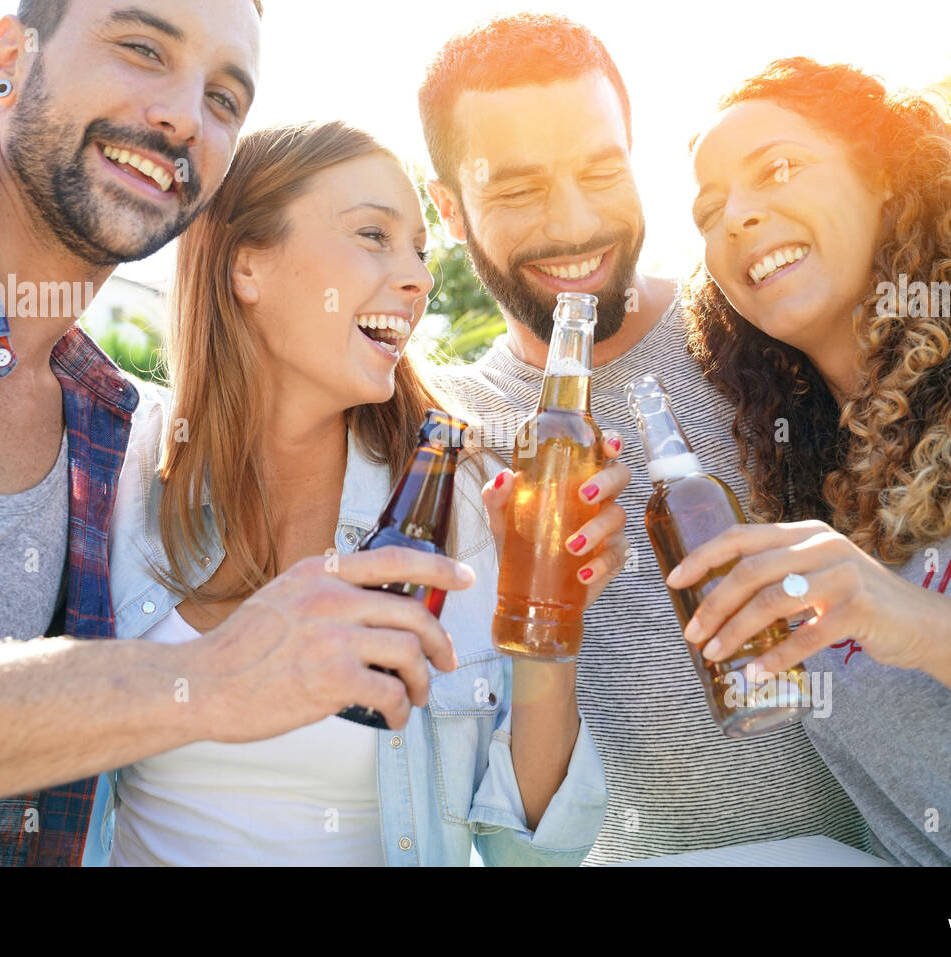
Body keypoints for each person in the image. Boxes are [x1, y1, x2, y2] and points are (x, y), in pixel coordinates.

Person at [416, 13, 951, 864]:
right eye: (518, 187)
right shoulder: (444, 433)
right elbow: (505, 837)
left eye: (601, 169)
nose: (572, 221)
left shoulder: (798, 347)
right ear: (449, 210)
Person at [0, 0, 472, 867]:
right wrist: (208, 679)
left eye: (224, 100)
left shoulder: (106, 431)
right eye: (141, 46)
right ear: (7, 54)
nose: (182, 115)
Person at [100, 121, 625, 866]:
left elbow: (530, 857)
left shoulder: (467, 498)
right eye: (373, 234)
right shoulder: (112, 469)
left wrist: (546, 619)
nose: (418, 279)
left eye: (420, 249)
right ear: (247, 265)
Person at [674, 57, 951, 864]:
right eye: (709, 211)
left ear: (886, 175)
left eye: (778, 168)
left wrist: (929, 630)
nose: (737, 217)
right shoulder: (790, 485)